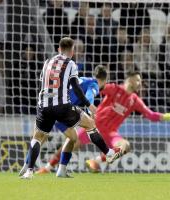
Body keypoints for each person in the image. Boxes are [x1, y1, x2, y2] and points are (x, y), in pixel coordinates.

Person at [37, 71, 170, 173]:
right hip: (94, 127)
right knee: (70, 144)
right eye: (137, 80)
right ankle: (47, 168)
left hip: (110, 133)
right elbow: (97, 88)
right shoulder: (114, 88)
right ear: (129, 79)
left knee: (125, 146)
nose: (140, 83)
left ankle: (96, 161)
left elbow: (151, 115)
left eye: (140, 81)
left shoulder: (135, 100)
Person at [19, 37, 117, 179]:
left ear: (59, 49)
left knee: (50, 137)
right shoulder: (72, 65)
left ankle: (30, 170)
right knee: (90, 124)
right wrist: (89, 106)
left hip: (44, 105)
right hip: (63, 107)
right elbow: (78, 89)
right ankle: (108, 153)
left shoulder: (47, 62)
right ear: (72, 51)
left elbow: (42, 84)